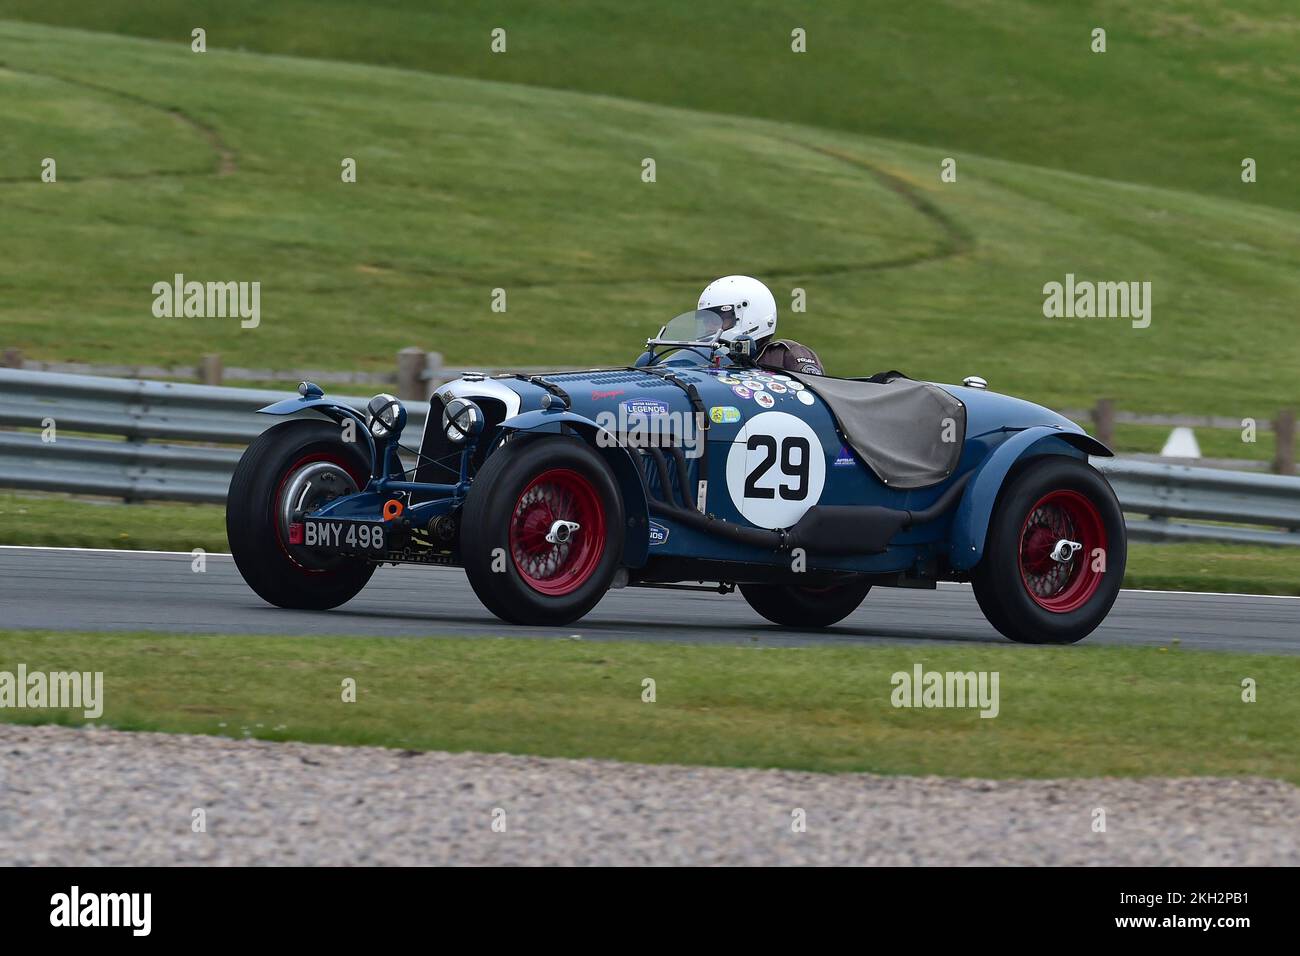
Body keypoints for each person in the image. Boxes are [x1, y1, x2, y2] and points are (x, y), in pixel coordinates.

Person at [697, 275, 824, 375]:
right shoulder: (704, 358)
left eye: (716, 320)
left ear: (749, 315)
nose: (708, 327)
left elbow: (813, 401)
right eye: (705, 321)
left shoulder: (786, 355)